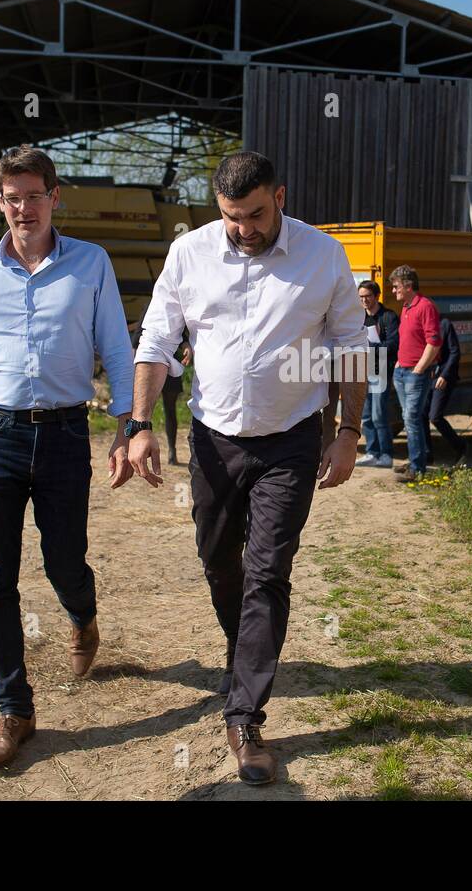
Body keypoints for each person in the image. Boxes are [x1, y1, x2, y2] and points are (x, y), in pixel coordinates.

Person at [126, 151, 367, 786]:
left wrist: (346, 433)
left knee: (268, 570)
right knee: (217, 560)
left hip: (291, 440)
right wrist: (141, 424)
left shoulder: (323, 256)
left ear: (279, 197)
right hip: (213, 439)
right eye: (232, 217)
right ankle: (247, 652)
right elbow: (156, 341)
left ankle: (245, 715)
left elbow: (348, 345)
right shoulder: (190, 253)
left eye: (256, 214)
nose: (244, 229)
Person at [0, 145, 135, 769]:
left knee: (64, 559)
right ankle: (15, 710)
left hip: (67, 434)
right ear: (0, 201)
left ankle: (83, 615)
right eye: (12, 198)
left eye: (34, 196)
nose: (23, 208)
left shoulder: (90, 264)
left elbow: (117, 350)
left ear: (54, 197)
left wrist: (129, 429)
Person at [388, 264, 441, 482]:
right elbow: (409, 339)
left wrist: (419, 367)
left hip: (415, 374)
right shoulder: (408, 307)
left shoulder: (425, 306)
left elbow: (434, 341)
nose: (393, 291)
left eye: (396, 286)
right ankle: (416, 461)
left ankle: (417, 469)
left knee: (411, 418)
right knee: (410, 419)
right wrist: (400, 362)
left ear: (408, 285)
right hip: (402, 372)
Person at [128, 320, 191, 464]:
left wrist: (186, 345)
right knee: (142, 411)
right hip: (150, 366)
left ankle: (172, 451)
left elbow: (179, 331)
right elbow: (138, 335)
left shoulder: (174, 304)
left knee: (170, 410)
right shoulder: (151, 307)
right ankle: (134, 445)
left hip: (171, 367)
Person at [355, 279, 399, 468]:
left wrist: (371, 347)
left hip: (380, 371)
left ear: (377, 296)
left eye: (367, 296)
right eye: (361, 297)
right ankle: (372, 452)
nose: (364, 300)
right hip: (362, 371)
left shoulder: (388, 317)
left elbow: (393, 345)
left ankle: (386, 454)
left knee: (379, 415)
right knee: (365, 416)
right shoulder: (358, 317)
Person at [428, 316, 466, 463]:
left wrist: (444, 375)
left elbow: (454, 352)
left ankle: (461, 447)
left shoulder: (444, 324)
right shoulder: (421, 325)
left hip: (442, 378)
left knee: (435, 416)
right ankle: (426, 455)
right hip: (426, 377)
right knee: (420, 414)